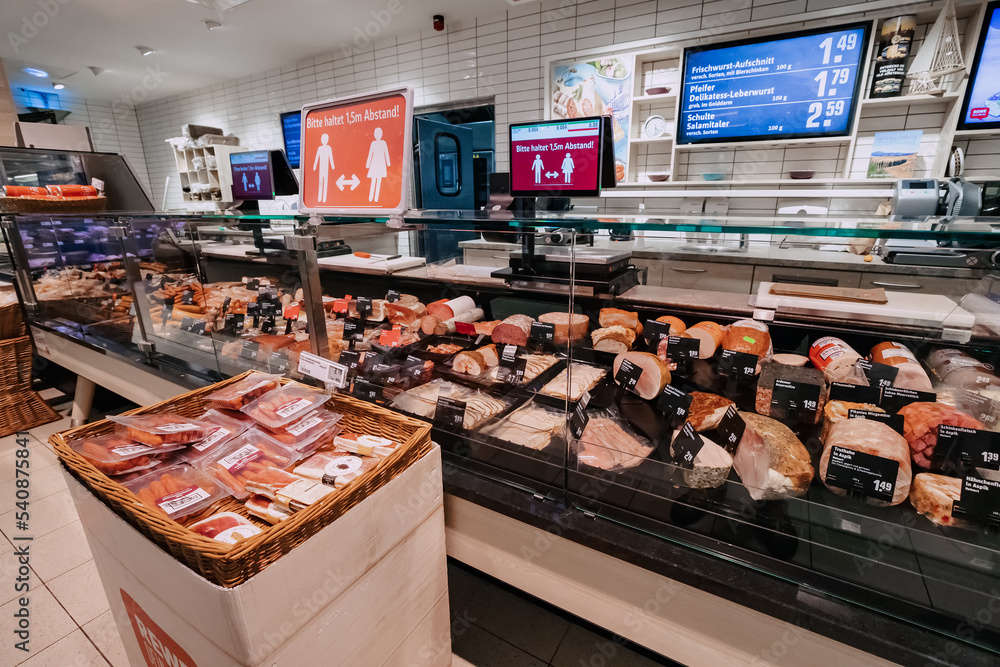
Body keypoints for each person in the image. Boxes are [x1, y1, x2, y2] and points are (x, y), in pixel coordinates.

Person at [366, 127, 390, 202]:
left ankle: (376, 198)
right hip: (374, 163)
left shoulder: (383, 143)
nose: (377, 135)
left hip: (381, 163)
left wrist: (388, 163)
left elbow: (386, 153)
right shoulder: (373, 143)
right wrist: (368, 163)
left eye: (378, 134)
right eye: (376, 134)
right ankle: (371, 197)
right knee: (373, 180)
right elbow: (370, 154)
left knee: (378, 180)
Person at [312, 133, 334, 202]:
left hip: (326, 168)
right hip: (321, 168)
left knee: (325, 182)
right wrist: (314, 166)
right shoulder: (319, 148)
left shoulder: (329, 148)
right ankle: (319, 197)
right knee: (321, 182)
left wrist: (333, 166)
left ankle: (324, 198)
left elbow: (331, 158)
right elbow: (317, 158)